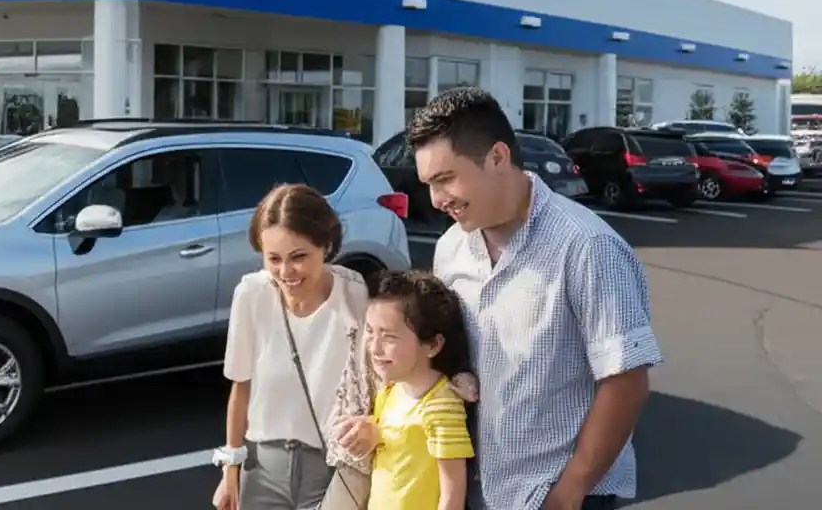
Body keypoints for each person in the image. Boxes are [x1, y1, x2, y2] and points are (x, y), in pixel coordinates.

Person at [406, 86, 663, 510]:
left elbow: (626, 381)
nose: (436, 200)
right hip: (476, 490)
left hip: (559, 495)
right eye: (428, 184)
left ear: (497, 157)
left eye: (445, 178)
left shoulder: (587, 246)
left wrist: (570, 491)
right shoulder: (451, 248)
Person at [212, 183, 371, 510]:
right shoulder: (251, 295)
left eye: (299, 257)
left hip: (331, 466)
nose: (286, 272)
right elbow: (240, 387)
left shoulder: (353, 294)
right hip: (262, 468)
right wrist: (230, 470)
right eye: (273, 258)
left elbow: (375, 382)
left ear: (326, 245)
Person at [333, 270, 476, 510]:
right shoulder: (391, 389)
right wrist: (371, 432)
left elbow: (452, 497)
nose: (375, 348)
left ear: (432, 344)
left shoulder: (442, 405)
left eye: (389, 337)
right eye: (370, 331)